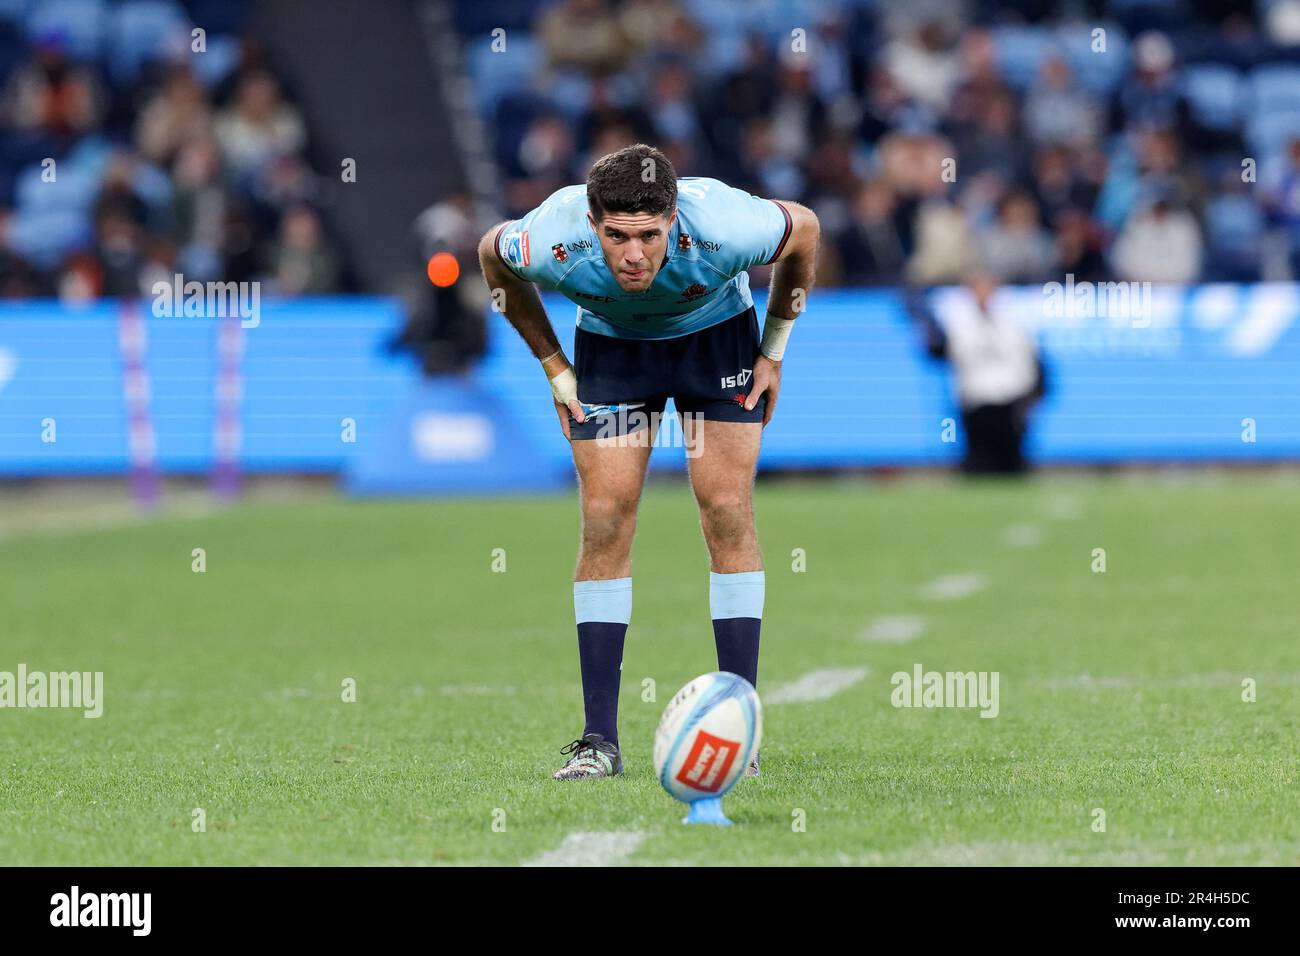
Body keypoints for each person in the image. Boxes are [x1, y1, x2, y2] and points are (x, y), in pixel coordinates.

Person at [477, 144, 819, 780]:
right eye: (615, 237)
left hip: (715, 344)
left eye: (649, 237)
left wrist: (773, 350)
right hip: (613, 352)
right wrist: (555, 367)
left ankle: (740, 734)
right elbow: (491, 254)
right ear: (590, 222)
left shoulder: (725, 226)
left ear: (675, 221)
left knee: (725, 508)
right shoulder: (550, 237)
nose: (633, 256)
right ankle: (597, 742)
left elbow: (805, 229)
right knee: (605, 518)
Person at [922, 273, 1045, 474]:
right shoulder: (957, 324)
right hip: (975, 404)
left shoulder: (1016, 323)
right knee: (978, 465)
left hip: (1010, 402)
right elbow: (938, 352)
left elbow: (1034, 365)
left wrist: (1031, 401)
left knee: (1012, 466)